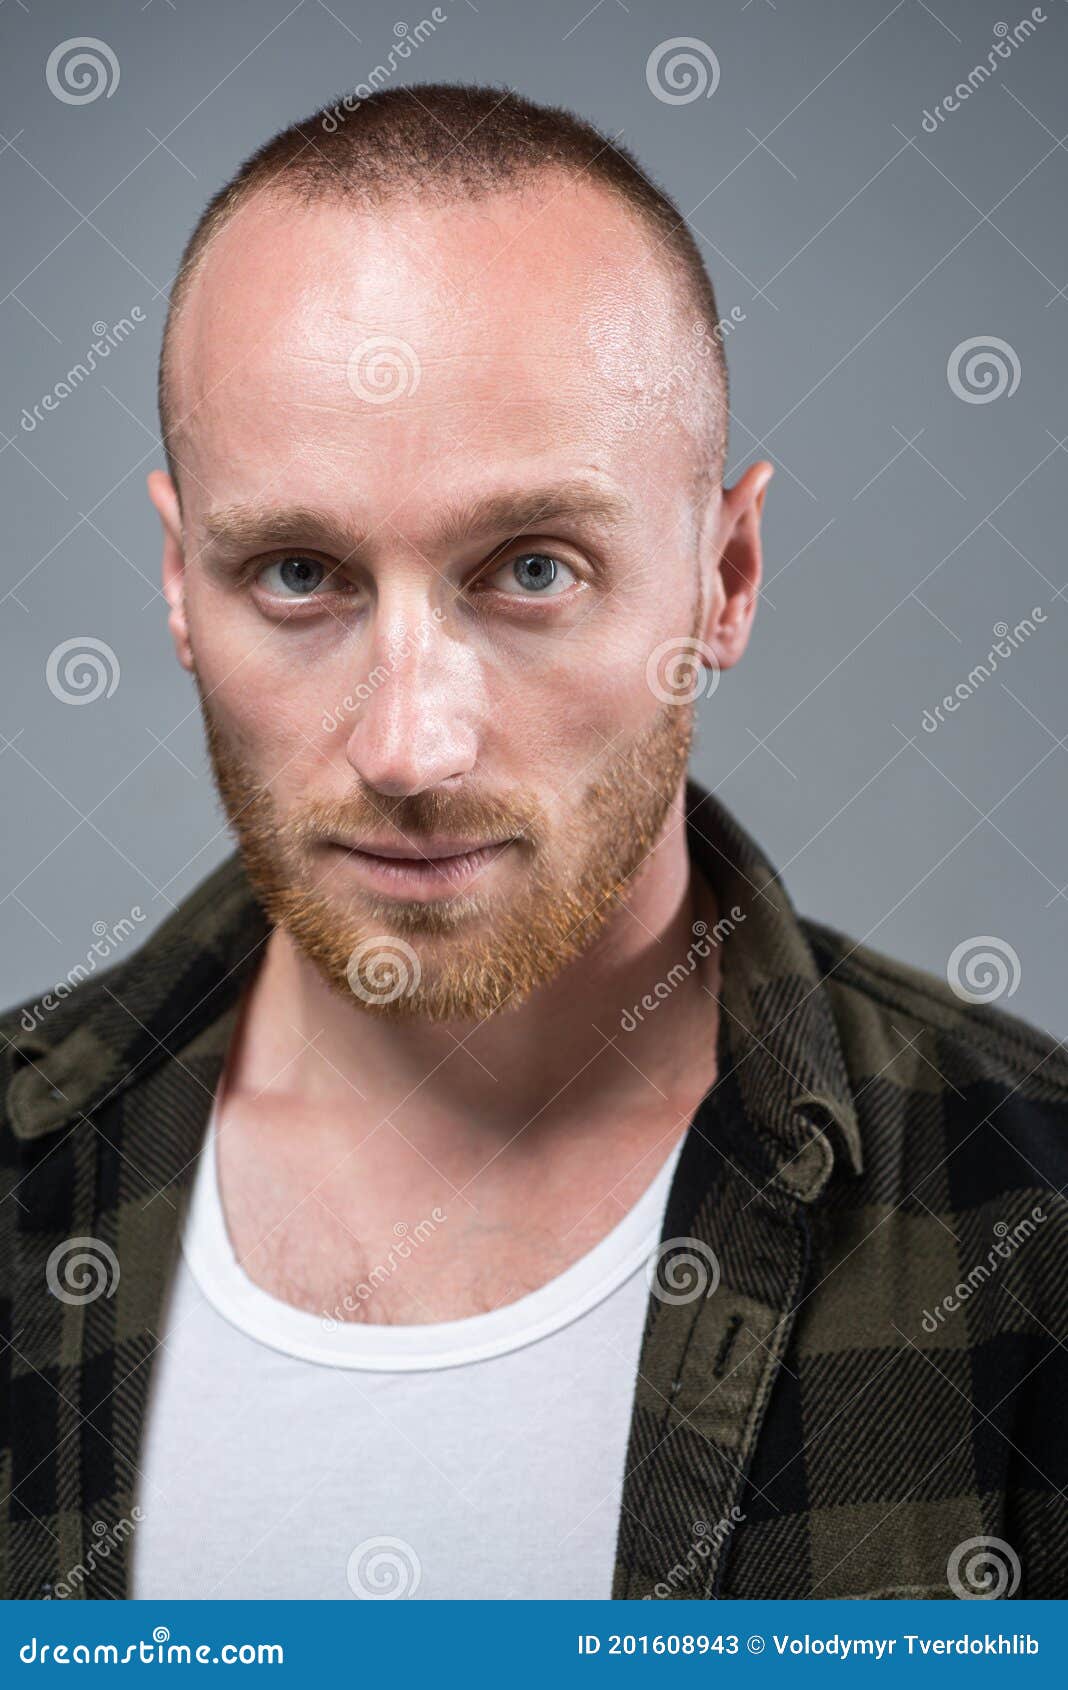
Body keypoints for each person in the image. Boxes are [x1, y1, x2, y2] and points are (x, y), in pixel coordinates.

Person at [1, 83, 1064, 1603]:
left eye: (534, 570)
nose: (409, 745)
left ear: (726, 577)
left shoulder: (1029, 1223)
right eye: (299, 572)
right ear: (180, 581)